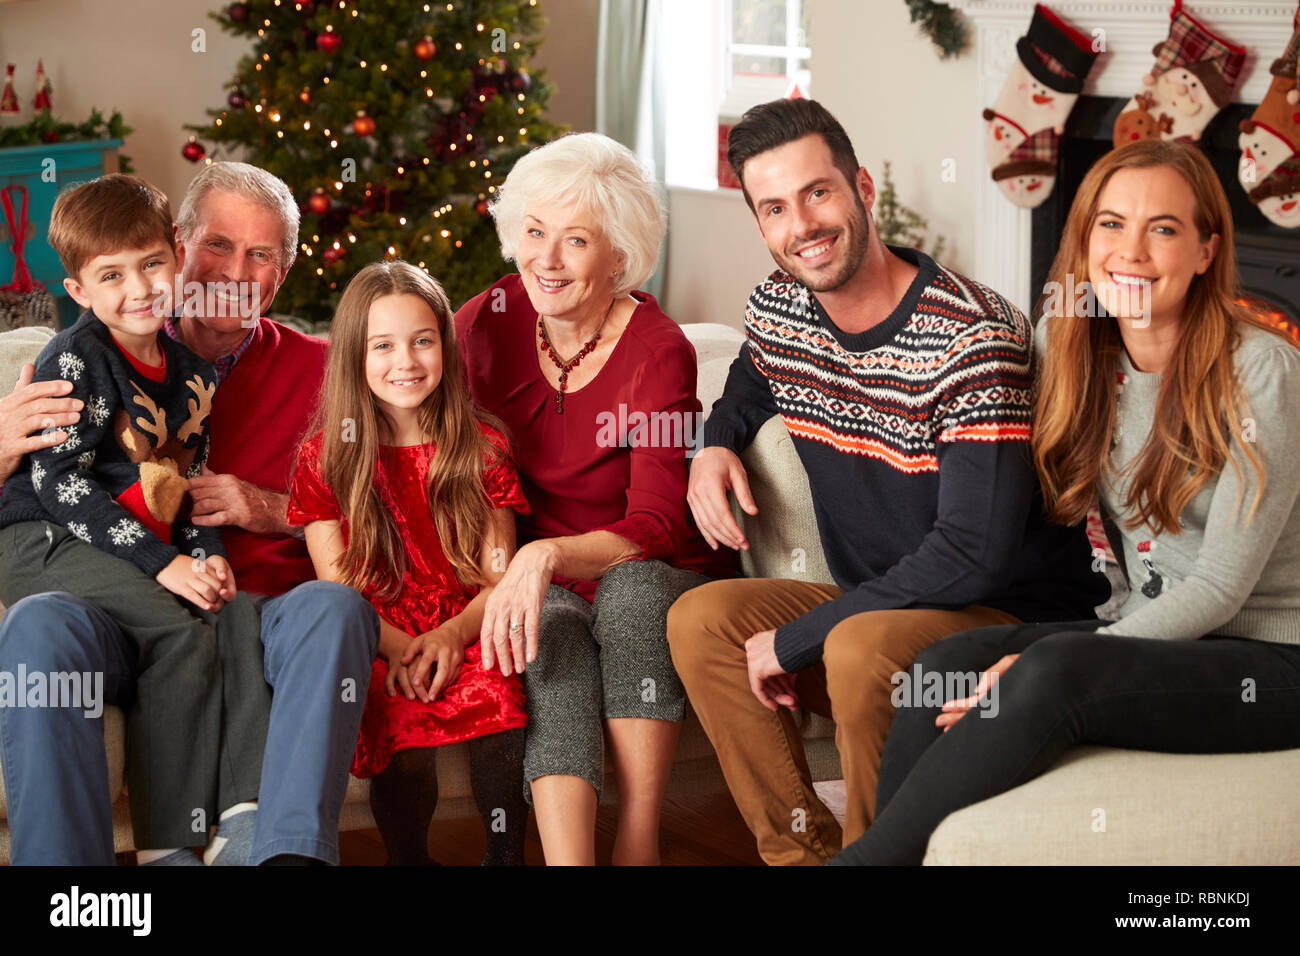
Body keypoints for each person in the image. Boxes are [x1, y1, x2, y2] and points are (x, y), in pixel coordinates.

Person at [832, 139, 1300, 866]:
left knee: (1051, 670)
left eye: (1164, 229)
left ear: (1207, 251)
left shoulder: (1260, 372)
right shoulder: (1073, 344)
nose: (1132, 252)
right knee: (943, 664)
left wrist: (1064, 652)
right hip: (1150, 627)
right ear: (1084, 239)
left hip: (1272, 658)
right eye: (1111, 224)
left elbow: (1218, 589)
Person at [666, 98, 1107, 865]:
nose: (801, 224)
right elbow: (748, 382)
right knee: (700, 621)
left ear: (861, 189)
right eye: (774, 208)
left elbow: (975, 554)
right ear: (760, 225)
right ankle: (802, 853)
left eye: (817, 193)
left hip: (1001, 615)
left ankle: (883, 854)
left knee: (859, 645)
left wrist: (798, 638)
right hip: (881, 596)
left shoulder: (971, 334)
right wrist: (712, 445)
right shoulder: (780, 307)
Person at [0, 161, 379, 866]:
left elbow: (398, 508)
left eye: (261, 253)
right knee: (38, 625)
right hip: (114, 599)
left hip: (256, 611)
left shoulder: (336, 374)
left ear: (284, 272)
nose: (236, 270)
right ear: (183, 242)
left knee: (334, 609)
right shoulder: (89, 355)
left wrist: (277, 510)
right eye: (218, 244)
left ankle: (274, 850)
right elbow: (50, 492)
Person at [454, 132, 734, 865]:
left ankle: (639, 839)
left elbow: (657, 522)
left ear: (619, 255)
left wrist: (546, 552)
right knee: (540, 623)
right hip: (536, 574)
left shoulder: (658, 350)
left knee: (634, 596)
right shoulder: (486, 322)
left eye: (574, 240)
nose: (545, 259)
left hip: (642, 560)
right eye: (534, 233)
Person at [0, 174, 269, 865]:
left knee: (229, 610)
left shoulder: (192, 378)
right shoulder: (74, 359)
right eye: (111, 276)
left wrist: (205, 555)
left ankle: (242, 818)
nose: (140, 288)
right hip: (39, 540)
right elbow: (58, 486)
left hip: (118, 547)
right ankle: (167, 845)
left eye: (151, 264)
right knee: (177, 629)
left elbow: (187, 487)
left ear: (176, 254)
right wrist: (165, 566)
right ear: (80, 292)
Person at [288, 261, 530, 866]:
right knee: (395, 710)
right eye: (383, 346)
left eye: (423, 341)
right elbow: (338, 585)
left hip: (468, 620)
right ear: (353, 355)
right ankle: (408, 859)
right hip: (376, 632)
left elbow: (498, 574)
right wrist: (397, 647)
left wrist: (451, 636)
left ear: (444, 346)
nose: (407, 361)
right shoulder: (325, 459)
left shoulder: (483, 446)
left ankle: (505, 854)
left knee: (498, 696)